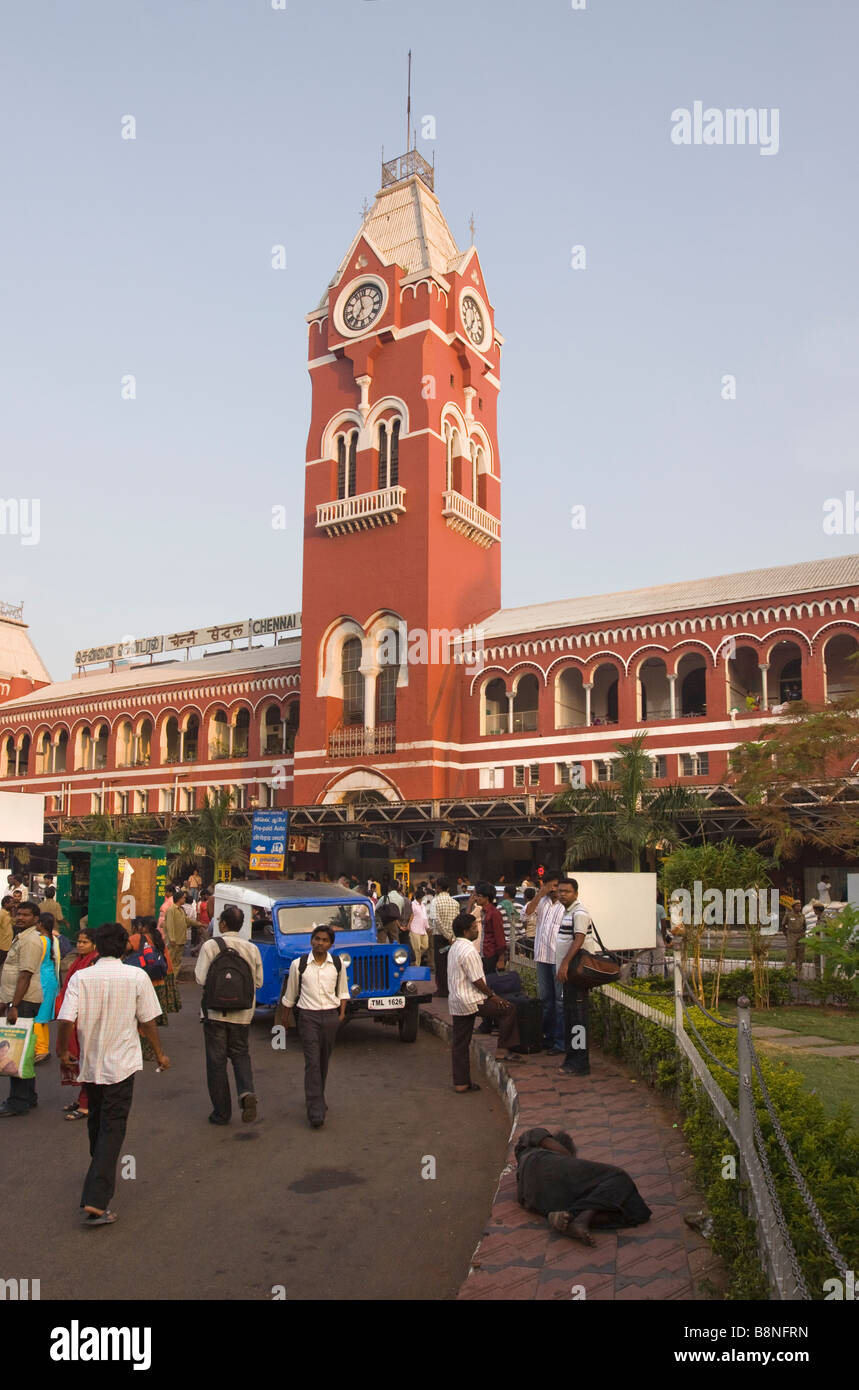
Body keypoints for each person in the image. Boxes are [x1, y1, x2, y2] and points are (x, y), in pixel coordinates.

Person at [57, 922, 170, 1226]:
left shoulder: (82, 977)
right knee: (113, 1127)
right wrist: (159, 1054)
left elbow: (66, 1020)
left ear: (96, 946)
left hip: (90, 1064)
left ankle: (98, 1171)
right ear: (123, 947)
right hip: (121, 1065)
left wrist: (61, 1053)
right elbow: (148, 1022)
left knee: (97, 1122)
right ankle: (96, 1199)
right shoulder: (136, 976)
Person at [514, 1127, 651, 1244]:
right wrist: (570, 1159)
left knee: (638, 1212)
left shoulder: (523, 1164)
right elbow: (560, 1152)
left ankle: (569, 1218)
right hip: (543, 1164)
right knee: (618, 1176)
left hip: (534, 1200)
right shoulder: (531, 1144)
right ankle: (577, 1218)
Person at [195, 904, 263, 1126]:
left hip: (214, 1014)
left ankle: (221, 1113)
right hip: (243, 1015)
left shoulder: (211, 946)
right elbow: (259, 982)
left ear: (222, 924)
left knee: (216, 1063)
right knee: (241, 1054)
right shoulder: (251, 949)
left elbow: (200, 979)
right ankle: (246, 1091)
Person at [447, 912, 525, 1092]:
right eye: (474, 928)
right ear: (466, 931)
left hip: (457, 1000)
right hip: (472, 999)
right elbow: (477, 980)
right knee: (507, 1008)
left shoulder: (454, 947)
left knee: (460, 1043)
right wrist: (493, 996)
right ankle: (503, 1050)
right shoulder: (469, 951)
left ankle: (461, 1082)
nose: (477, 931)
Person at [281, 924, 349, 1128]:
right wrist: (285, 1019)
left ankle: (317, 1097)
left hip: (330, 1017)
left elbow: (343, 992)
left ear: (331, 944)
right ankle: (316, 1111)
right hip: (308, 1017)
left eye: (324, 940)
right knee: (312, 1062)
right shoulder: (299, 964)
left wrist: (341, 1015)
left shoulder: (337, 965)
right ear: (311, 940)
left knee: (323, 1062)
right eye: (317, 939)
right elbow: (290, 994)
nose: (320, 943)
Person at [0, 901, 44, 1116]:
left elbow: (25, 975)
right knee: (23, 1049)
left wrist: (14, 1006)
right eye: (19, 914)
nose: (20, 918)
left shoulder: (30, 941)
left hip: (23, 1001)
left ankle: (18, 1101)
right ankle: (28, 1097)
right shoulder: (22, 937)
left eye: (26, 915)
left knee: (16, 1050)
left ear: (36, 919)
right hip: (18, 1000)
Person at [55, 927, 98, 1120]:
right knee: (79, 1059)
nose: (80, 945)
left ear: (94, 945)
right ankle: (83, 1099)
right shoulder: (80, 961)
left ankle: (86, 1104)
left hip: (82, 1018)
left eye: (84, 942)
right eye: (79, 942)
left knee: (84, 1060)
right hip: (72, 1014)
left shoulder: (93, 963)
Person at [556, 878, 598, 1077]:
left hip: (576, 974)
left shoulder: (579, 913)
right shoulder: (568, 912)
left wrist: (565, 963)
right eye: (560, 891)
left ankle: (581, 1062)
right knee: (572, 1017)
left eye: (567, 891)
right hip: (569, 975)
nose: (562, 894)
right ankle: (572, 1058)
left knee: (578, 1018)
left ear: (576, 893)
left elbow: (579, 938)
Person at [127, 916, 181, 1061]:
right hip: (158, 982)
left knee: (139, 1019)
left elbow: (123, 948)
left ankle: (143, 1050)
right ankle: (152, 1049)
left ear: (142, 927)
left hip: (143, 982)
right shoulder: (157, 938)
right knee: (150, 1018)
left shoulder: (138, 938)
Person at [524, 873, 565, 1054]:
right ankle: (548, 1037)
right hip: (542, 958)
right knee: (546, 1000)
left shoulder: (566, 905)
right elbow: (525, 915)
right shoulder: (542, 901)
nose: (553, 889)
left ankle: (560, 1041)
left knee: (559, 1001)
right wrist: (540, 894)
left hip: (558, 959)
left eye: (556, 885)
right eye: (550, 886)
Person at [34, 912, 61, 1063]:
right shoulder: (52, 939)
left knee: (37, 1017)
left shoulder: (41, 940)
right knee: (43, 1017)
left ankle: (41, 1050)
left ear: (40, 925)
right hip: (49, 979)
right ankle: (43, 1048)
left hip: (42, 980)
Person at [430, 877, 458, 997]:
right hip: (452, 939)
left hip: (440, 938)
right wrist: (451, 937)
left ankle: (442, 990)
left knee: (440, 964)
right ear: (449, 888)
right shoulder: (455, 903)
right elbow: (456, 921)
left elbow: (435, 920)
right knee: (451, 963)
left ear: (438, 888)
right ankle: (451, 988)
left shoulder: (435, 901)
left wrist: (446, 935)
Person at [473, 882, 507, 976]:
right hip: (483, 952)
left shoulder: (494, 913)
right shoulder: (483, 912)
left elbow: (500, 937)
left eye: (479, 896)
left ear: (486, 898)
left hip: (491, 955)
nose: (477, 898)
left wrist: (501, 959)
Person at [162, 890, 189, 978]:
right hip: (174, 941)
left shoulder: (181, 910)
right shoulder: (171, 910)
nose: (185, 899)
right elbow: (169, 925)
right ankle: (167, 979)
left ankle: (173, 979)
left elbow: (187, 921)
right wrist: (172, 938)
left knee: (177, 962)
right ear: (179, 899)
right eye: (184, 898)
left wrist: (199, 924)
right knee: (170, 961)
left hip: (181, 940)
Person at [409, 887, 430, 967]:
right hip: (415, 929)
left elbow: (425, 917)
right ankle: (417, 965)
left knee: (425, 946)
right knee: (416, 948)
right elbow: (411, 916)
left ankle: (413, 959)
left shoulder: (423, 905)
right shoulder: (413, 905)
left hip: (423, 929)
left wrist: (427, 927)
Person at [783, 900, 807, 972]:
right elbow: (783, 925)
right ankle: (788, 972)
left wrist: (802, 933)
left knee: (800, 954)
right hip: (791, 935)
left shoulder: (802, 916)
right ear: (793, 907)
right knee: (790, 954)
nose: (799, 907)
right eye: (797, 906)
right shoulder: (788, 915)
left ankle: (798, 973)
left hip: (801, 935)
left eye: (800, 906)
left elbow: (804, 926)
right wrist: (787, 934)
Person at [0, 894, 14, 970]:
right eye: (11, 903)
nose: (13, 905)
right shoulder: (1, 914)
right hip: (2, 946)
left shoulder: (8, 914)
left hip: (7, 946)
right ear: (6, 904)